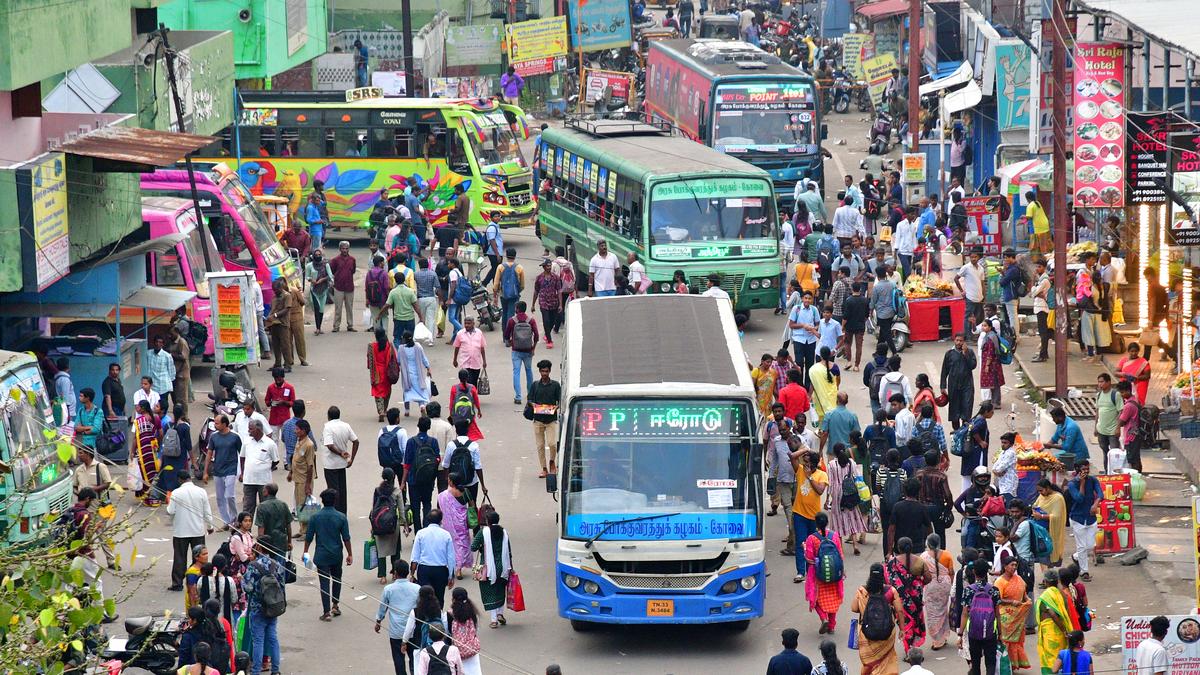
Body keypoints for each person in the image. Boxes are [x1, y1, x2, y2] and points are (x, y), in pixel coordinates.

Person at [303, 488, 352, 621]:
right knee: (337, 579)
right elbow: (346, 538)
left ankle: (326, 612)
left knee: (324, 583)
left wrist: (305, 552)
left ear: (323, 501)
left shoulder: (315, 517)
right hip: (336, 554)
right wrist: (350, 554)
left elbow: (309, 537)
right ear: (335, 501)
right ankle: (335, 605)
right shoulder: (341, 517)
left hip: (321, 555)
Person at [851, 562, 903, 674]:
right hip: (887, 631)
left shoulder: (862, 590)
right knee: (887, 657)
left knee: (869, 661)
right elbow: (899, 610)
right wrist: (902, 629)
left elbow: (854, 608)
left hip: (866, 632)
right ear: (883, 575)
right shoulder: (890, 591)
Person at [168, 470, 215, 592]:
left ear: (179, 480)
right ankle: (200, 581)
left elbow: (171, 511)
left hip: (180, 532)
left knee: (179, 558)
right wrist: (209, 526)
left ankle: (177, 583)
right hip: (197, 531)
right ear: (190, 478)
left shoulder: (176, 493)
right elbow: (207, 512)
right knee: (199, 558)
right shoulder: (201, 492)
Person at [242, 540, 284, 675]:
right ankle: (276, 670)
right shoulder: (276, 565)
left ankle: (256, 671)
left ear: (260, 547)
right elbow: (282, 585)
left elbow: (247, 588)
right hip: (273, 607)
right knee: (273, 638)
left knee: (258, 641)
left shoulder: (253, 566)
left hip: (257, 608)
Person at [470, 509, 513, 629]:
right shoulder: (504, 532)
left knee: (489, 592)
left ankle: (494, 620)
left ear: (487, 521)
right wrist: (511, 568)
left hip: (488, 568)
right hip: (503, 566)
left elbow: (473, 547)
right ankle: (500, 614)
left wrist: (482, 547)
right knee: (500, 590)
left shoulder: (483, 532)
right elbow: (509, 551)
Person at [802, 512, 845, 634]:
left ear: (816, 523)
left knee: (815, 598)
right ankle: (831, 626)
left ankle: (823, 618)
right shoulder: (835, 536)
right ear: (827, 523)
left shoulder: (812, 538)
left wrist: (804, 548)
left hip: (818, 575)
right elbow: (840, 555)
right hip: (834, 574)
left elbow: (810, 558)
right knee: (833, 599)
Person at [789, 450, 828, 583]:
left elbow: (820, 490)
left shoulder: (821, 475)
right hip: (799, 513)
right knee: (801, 543)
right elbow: (792, 456)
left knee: (813, 545)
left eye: (808, 463)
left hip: (814, 517)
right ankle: (800, 572)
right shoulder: (799, 470)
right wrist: (806, 449)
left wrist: (810, 477)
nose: (805, 465)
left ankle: (810, 572)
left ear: (814, 464)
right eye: (804, 462)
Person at [376, 560, 420, 675]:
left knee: (398, 660)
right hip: (413, 630)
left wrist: (378, 621)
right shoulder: (417, 588)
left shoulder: (389, 589)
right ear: (407, 572)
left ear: (395, 573)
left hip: (396, 632)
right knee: (414, 658)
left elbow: (382, 608)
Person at [960, 558, 1002, 675]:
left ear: (974, 572)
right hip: (990, 631)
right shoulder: (994, 590)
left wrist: (960, 634)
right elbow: (998, 614)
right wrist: (1000, 633)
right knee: (990, 662)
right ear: (987, 572)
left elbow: (964, 614)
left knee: (976, 662)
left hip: (974, 631)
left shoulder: (968, 590)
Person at [825, 444, 866, 555]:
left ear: (834, 453)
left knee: (838, 519)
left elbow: (830, 482)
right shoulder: (851, 462)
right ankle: (855, 545)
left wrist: (827, 499)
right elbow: (857, 476)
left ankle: (840, 549)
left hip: (837, 493)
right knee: (851, 517)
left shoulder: (831, 464)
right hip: (850, 492)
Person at [994, 553, 1032, 671]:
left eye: (1016, 565)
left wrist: (1027, 600)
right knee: (1006, 641)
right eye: (1012, 565)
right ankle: (1006, 665)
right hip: (1006, 618)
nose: (1014, 567)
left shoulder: (1019, 579)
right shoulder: (999, 582)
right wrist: (1011, 602)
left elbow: (1024, 594)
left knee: (1017, 641)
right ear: (1005, 567)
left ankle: (1015, 664)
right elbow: (997, 599)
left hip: (1018, 617)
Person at [411, 509, 457, 606]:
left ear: (428, 520)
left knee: (424, 598)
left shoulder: (420, 533)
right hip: (440, 571)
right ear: (441, 520)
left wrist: (412, 573)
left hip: (424, 570)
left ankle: (425, 618)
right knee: (439, 598)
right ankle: (438, 618)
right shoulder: (446, 534)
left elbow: (415, 557)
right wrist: (450, 576)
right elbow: (451, 558)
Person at [1066, 459, 1101, 582]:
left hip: (1091, 517)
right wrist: (1081, 483)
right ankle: (1084, 571)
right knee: (1081, 546)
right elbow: (1079, 498)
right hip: (1077, 518)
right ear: (1078, 470)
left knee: (1091, 545)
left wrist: (1095, 504)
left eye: (1087, 469)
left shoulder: (1093, 480)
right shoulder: (1072, 484)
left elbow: (1100, 494)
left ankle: (1076, 557)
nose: (1086, 471)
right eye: (1083, 469)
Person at [321, 406, 359, 515]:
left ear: (328, 416)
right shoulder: (346, 426)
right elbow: (356, 441)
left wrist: (340, 453)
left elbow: (329, 445)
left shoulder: (328, 427)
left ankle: (335, 514)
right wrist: (351, 459)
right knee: (342, 491)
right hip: (342, 464)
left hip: (331, 464)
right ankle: (343, 513)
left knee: (333, 491)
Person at [205, 415, 241, 527]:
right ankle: (227, 522)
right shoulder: (213, 437)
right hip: (217, 471)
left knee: (229, 496)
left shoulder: (235, 437)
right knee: (220, 498)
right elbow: (209, 454)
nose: (215, 425)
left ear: (225, 424)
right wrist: (205, 471)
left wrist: (243, 471)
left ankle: (234, 519)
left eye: (217, 423)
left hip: (231, 469)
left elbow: (242, 454)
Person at [1035, 569, 1074, 675]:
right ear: (1057, 581)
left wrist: (1063, 630)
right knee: (1061, 658)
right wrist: (1065, 630)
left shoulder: (1046, 596)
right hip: (1061, 634)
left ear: (1045, 581)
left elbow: (1052, 614)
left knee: (1050, 660)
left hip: (1051, 633)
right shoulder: (1061, 593)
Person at [528, 360, 561, 479]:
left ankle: (552, 462)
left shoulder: (556, 385)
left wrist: (554, 408)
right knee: (540, 446)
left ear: (549, 371)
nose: (544, 374)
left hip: (551, 420)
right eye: (542, 371)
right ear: (539, 372)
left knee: (552, 444)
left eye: (546, 371)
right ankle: (544, 469)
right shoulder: (535, 385)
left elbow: (560, 401)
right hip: (538, 420)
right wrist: (536, 407)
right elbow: (530, 400)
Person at [372, 468, 406, 583]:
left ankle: (382, 576)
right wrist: (404, 524)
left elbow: (374, 509)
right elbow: (401, 510)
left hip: (378, 524)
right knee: (395, 550)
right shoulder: (396, 492)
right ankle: (395, 574)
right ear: (394, 478)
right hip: (392, 525)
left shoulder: (377, 491)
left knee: (381, 551)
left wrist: (373, 525)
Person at [437, 472, 473, 580]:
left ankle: (451, 567)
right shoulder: (465, 491)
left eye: (448, 479)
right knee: (462, 544)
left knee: (452, 545)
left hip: (449, 525)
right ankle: (458, 569)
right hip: (462, 523)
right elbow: (472, 505)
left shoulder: (443, 495)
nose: (447, 480)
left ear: (451, 481)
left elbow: (439, 508)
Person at [238, 420, 277, 515]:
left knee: (265, 507)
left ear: (258, 429)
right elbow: (242, 458)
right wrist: (243, 473)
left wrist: (264, 469)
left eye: (251, 429)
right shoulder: (246, 441)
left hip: (263, 482)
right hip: (248, 481)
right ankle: (247, 529)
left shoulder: (270, 443)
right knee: (248, 507)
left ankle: (266, 529)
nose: (248, 431)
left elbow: (275, 461)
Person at [285, 419, 316, 538]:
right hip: (297, 478)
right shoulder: (299, 441)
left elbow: (310, 465)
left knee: (305, 505)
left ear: (303, 431)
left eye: (297, 429)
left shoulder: (309, 444)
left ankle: (308, 532)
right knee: (299, 504)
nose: (295, 431)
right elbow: (295, 458)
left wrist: (308, 484)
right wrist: (290, 473)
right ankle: (302, 529)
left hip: (304, 480)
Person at [131, 400, 162, 505]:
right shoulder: (156, 418)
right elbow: (160, 433)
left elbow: (136, 438)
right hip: (152, 450)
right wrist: (157, 443)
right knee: (151, 472)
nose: (136, 408)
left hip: (142, 450)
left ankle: (145, 496)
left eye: (138, 407)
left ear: (143, 408)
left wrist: (131, 452)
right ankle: (150, 495)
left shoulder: (139, 420)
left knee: (142, 473)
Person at [1033, 478, 1068, 570]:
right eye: (1038, 491)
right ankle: (1046, 577)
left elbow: (1057, 517)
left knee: (1050, 552)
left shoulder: (1058, 498)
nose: (1040, 493)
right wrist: (1034, 511)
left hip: (1052, 529)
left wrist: (1042, 516)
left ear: (1048, 488)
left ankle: (1051, 577)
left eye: (1041, 490)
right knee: (1042, 552)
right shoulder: (1041, 496)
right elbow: (1035, 505)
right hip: (1041, 529)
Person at [788, 291, 820, 386]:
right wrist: (803, 325)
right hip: (799, 339)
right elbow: (791, 325)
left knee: (810, 363)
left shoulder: (814, 310)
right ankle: (799, 384)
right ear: (802, 299)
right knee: (799, 363)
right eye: (805, 298)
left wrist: (814, 328)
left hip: (811, 340)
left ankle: (807, 385)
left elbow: (818, 323)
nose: (807, 300)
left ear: (812, 300)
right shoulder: (796, 309)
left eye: (809, 298)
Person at [369, 329, 399, 422]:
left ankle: (380, 411)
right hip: (387, 373)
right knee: (386, 392)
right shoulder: (389, 346)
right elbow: (394, 358)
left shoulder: (372, 346)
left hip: (376, 373)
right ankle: (385, 410)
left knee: (378, 394)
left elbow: (369, 360)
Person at [956, 247, 987, 333]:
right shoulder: (966, 267)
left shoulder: (981, 268)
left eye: (975, 257)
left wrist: (984, 295)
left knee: (978, 317)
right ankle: (967, 336)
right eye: (972, 257)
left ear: (978, 257)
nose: (973, 259)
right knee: (968, 317)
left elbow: (982, 283)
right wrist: (962, 291)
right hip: (970, 297)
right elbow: (956, 278)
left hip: (979, 297)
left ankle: (976, 334)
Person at [265, 278, 293, 371]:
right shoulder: (274, 297)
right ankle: (277, 364)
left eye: (276, 290)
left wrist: (275, 315)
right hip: (274, 324)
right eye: (273, 290)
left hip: (283, 324)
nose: (274, 292)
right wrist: (269, 318)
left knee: (285, 345)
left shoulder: (287, 296)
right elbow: (272, 309)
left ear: (280, 288)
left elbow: (286, 309)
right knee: (276, 345)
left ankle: (288, 365)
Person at [329, 241, 358, 332]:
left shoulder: (352, 259)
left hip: (349, 286)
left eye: (346, 248)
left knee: (349, 307)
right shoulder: (335, 260)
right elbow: (332, 271)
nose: (344, 250)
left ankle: (350, 325)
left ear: (348, 249)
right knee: (338, 308)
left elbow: (353, 271)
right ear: (340, 249)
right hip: (338, 287)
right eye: (343, 248)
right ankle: (336, 326)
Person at [1094, 374, 1120, 471]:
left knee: (1114, 454)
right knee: (1105, 453)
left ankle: (1115, 473)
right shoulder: (1099, 395)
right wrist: (1095, 427)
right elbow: (1097, 412)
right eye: (1099, 382)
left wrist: (1118, 428)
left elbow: (1121, 412)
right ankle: (1107, 472)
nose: (1100, 384)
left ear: (1109, 382)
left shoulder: (1115, 395)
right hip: (1101, 430)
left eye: (1102, 382)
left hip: (1113, 431)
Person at [1116, 380, 1145, 472]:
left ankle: (1136, 476)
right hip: (1135, 434)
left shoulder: (1128, 406)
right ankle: (1138, 475)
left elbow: (1122, 421)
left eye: (1122, 392)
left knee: (1133, 459)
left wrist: (1117, 429)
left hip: (1131, 436)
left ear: (1128, 391)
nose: (1121, 394)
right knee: (1136, 457)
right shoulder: (1134, 400)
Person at [452, 316, 487, 388]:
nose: (467, 325)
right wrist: (455, 360)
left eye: (469, 323)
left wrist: (484, 361)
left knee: (474, 383)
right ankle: (467, 397)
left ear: (473, 324)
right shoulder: (460, 334)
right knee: (467, 382)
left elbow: (482, 348)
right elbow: (457, 347)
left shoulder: (479, 333)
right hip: (465, 363)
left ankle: (473, 397)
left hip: (476, 363)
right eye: (465, 323)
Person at [842, 282, 870, 371]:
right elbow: (867, 314)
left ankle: (849, 361)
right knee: (859, 346)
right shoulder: (865, 300)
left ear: (852, 289)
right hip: (860, 326)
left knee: (847, 343)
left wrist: (843, 326)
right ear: (860, 289)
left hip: (849, 325)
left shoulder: (848, 300)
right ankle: (857, 365)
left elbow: (845, 316)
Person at [977, 318, 1005, 406]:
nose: (983, 327)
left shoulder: (991, 337)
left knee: (995, 383)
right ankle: (992, 401)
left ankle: (996, 402)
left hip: (992, 364)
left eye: (985, 326)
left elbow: (991, 352)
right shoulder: (988, 335)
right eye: (982, 325)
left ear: (990, 327)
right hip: (990, 363)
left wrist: (987, 365)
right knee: (992, 383)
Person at [306, 250, 333, 335]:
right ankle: (317, 328)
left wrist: (323, 279)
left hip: (324, 290)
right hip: (314, 290)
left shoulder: (326, 265)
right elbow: (307, 276)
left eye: (319, 254)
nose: (318, 256)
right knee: (316, 308)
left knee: (321, 309)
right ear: (313, 256)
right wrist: (311, 280)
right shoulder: (309, 266)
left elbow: (330, 275)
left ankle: (319, 327)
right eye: (316, 255)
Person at [809, 347, 839, 423]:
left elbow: (812, 383)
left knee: (821, 417)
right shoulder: (835, 367)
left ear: (820, 356)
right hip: (832, 396)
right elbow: (838, 381)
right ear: (830, 355)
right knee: (832, 416)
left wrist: (809, 395)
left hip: (819, 397)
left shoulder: (814, 369)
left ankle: (822, 432)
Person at [184, 544, 209, 613]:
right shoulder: (192, 572)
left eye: (207, 553)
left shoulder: (206, 568)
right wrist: (193, 611)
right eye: (204, 554)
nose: (207, 556)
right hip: (196, 606)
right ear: (196, 557)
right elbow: (191, 592)